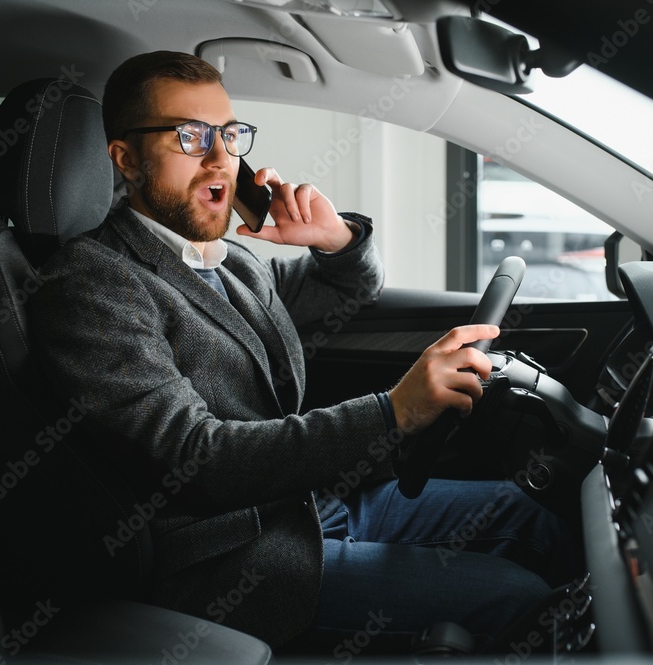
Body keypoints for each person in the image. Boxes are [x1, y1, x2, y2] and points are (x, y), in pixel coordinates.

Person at [29, 50, 578, 652]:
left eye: (231, 135)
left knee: (530, 514)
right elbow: (195, 457)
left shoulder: (228, 261)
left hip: (308, 508)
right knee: (515, 598)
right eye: (191, 137)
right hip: (236, 560)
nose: (221, 159)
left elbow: (347, 287)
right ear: (126, 159)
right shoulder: (91, 283)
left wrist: (333, 238)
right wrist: (393, 411)